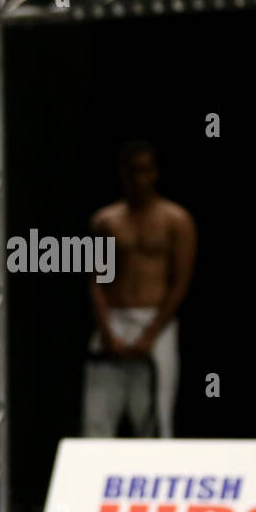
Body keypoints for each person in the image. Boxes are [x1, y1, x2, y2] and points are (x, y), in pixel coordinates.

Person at [84, 141, 195, 438]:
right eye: (132, 171)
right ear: (122, 174)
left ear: (155, 173)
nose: (138, 179)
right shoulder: (106, 221)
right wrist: (107, 330)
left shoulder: (176, 220)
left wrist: (152, 332)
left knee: (155, 415)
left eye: (145, 171)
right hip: (114, 319)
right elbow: (95, 277)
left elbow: (180, 279)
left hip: (156, 320)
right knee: (98, 415)